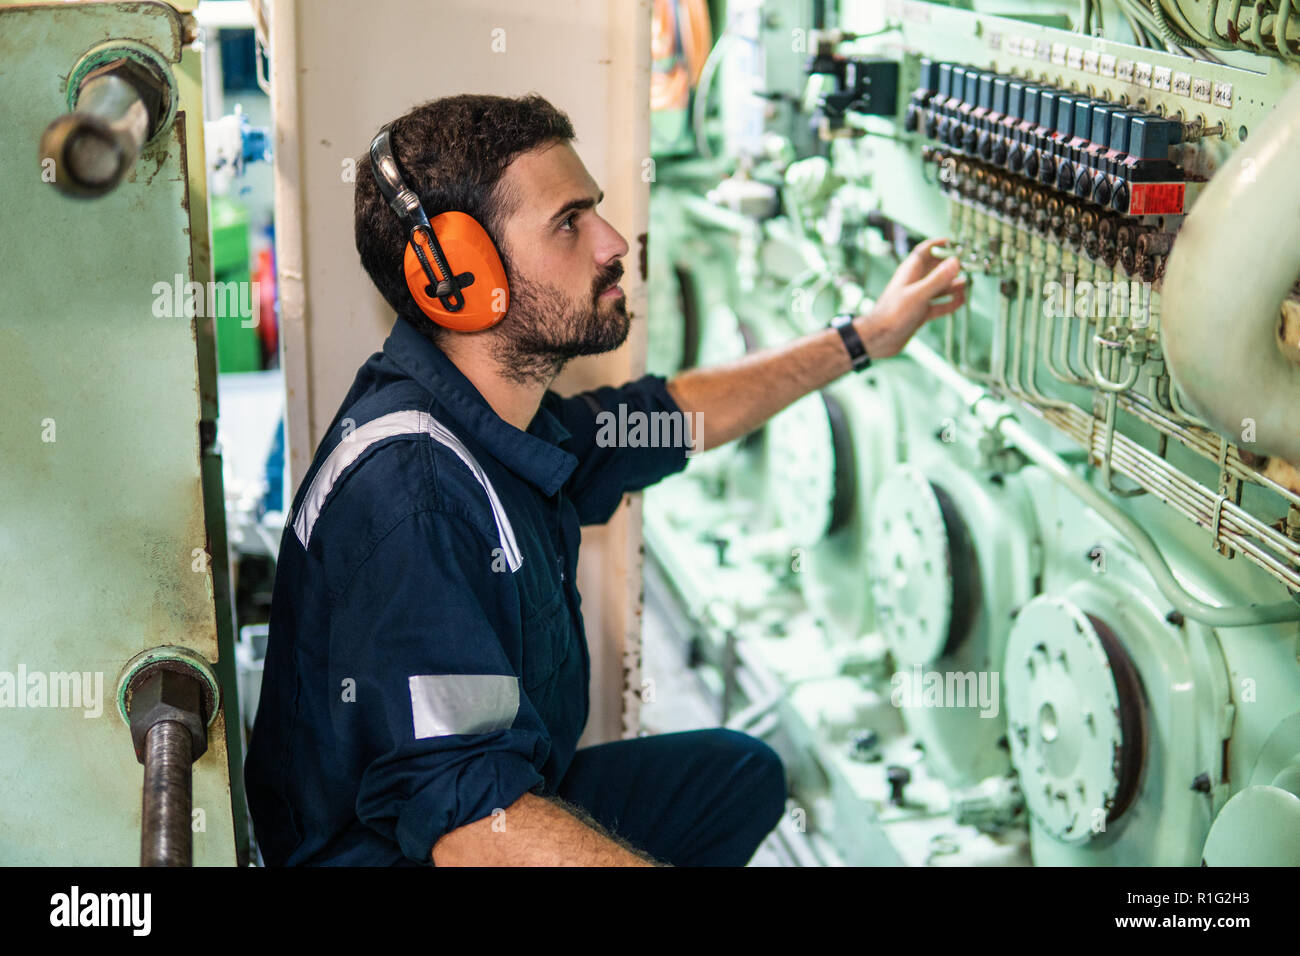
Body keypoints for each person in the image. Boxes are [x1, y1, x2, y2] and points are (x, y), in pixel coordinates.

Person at [244, 93, 966, 867]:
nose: (614, 242)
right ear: (459, 276)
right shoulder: (414, 492)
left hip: (487, 799)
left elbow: (669, 415)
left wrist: (864, 337)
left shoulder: (498, 423)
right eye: (570, 222)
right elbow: (466, 824)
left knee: (736, 777)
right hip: (399, 853)